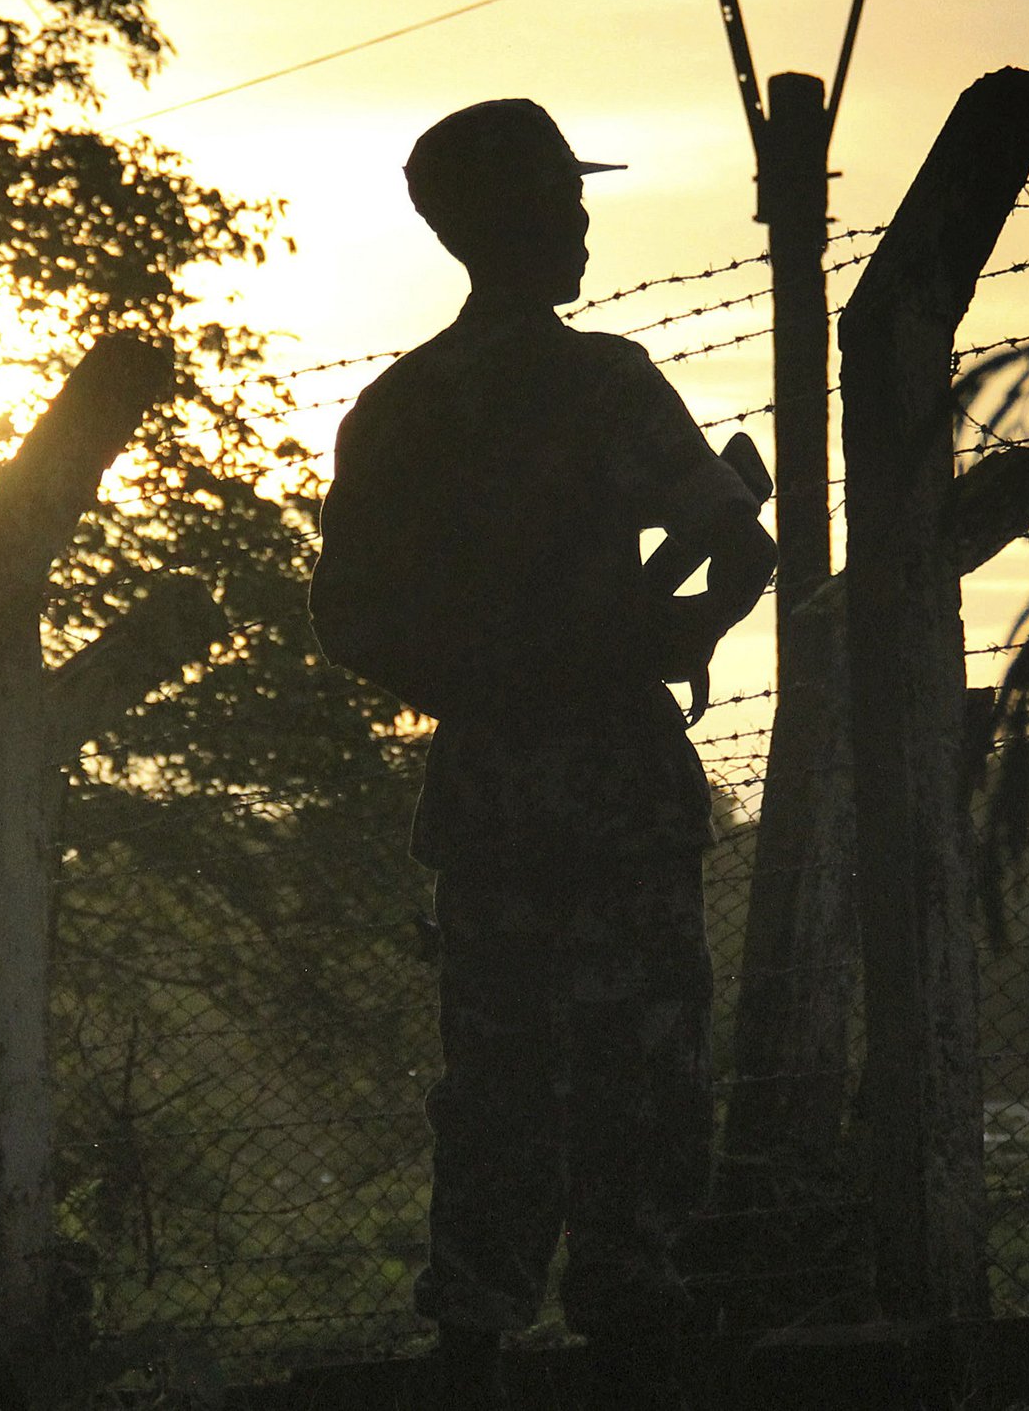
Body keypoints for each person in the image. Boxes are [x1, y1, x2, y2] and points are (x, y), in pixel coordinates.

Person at [311, 99, 776, 1410]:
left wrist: (480, 684)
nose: (581, 227)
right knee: (644, 1072)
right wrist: (668, 634)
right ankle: (634, 1329)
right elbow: (744, 547)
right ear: (515, 221)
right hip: (618, 788)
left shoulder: (398, 410)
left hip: (490, 796)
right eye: (564, 205)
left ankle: (474, 1338)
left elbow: (347, 620)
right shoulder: (605, 382)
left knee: (498, 1082)